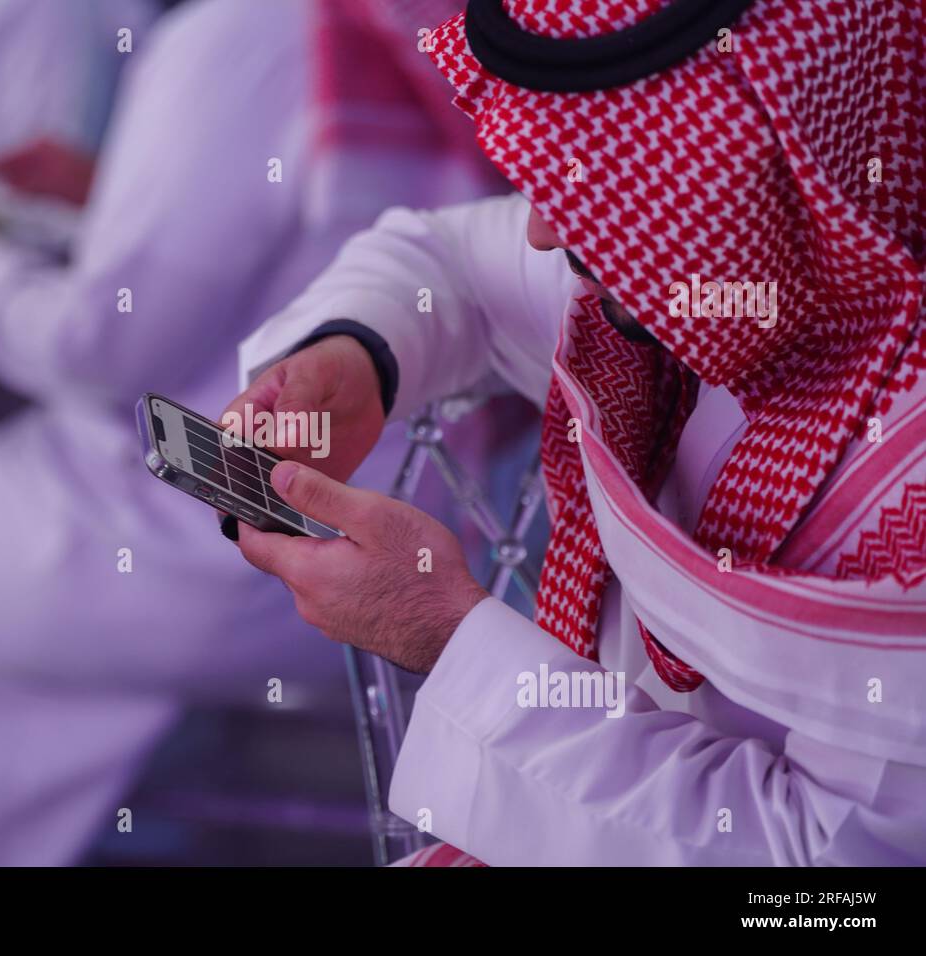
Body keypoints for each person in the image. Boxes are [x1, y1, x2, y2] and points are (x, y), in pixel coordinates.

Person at [0, 0, 500, 865]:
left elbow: (100, 354)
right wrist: (113, 191)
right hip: (422, 529)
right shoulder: (400, 23)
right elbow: (337, 235)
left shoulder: (237, 36)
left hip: (218, 540)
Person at [225, 0, 926, 865]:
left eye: (600, 174)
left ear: (748, 160)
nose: (545, 228)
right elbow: (440, 259)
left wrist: (451, 640)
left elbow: (826, 885)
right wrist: (357, 358)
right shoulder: (713, 258)